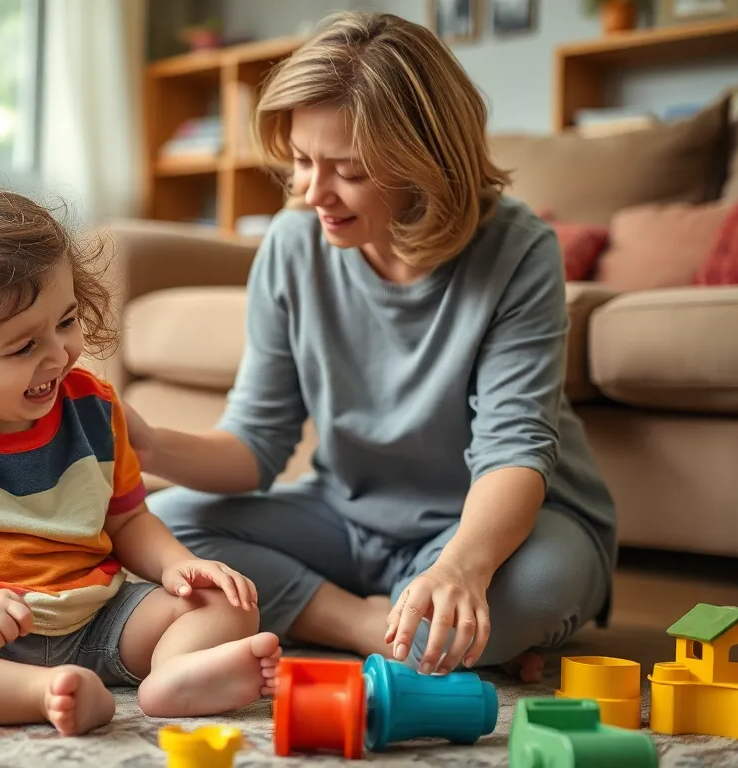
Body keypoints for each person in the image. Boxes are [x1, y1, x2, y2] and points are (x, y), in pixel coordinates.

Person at [131, 11, 617, 683]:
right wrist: (151, 445)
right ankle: (368, 626)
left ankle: (427, 621)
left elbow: (514, 450)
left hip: (501, 528)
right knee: (157, 530)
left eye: (348, 171)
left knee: (521, 595)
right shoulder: (293, 244)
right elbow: (256, 443)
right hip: (345, 517)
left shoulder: (517, 248)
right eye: (302, 160)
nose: (310, 192)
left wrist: (460, 570)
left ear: (425, 165)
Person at [0, 185, 280, 736]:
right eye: (22, 347)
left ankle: (173, 677)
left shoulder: (93, 406)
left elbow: (128, 518)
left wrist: (175, 565)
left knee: (227, 603)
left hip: (95, 621)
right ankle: (38, 694)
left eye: (65, 322)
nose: (59, 355)